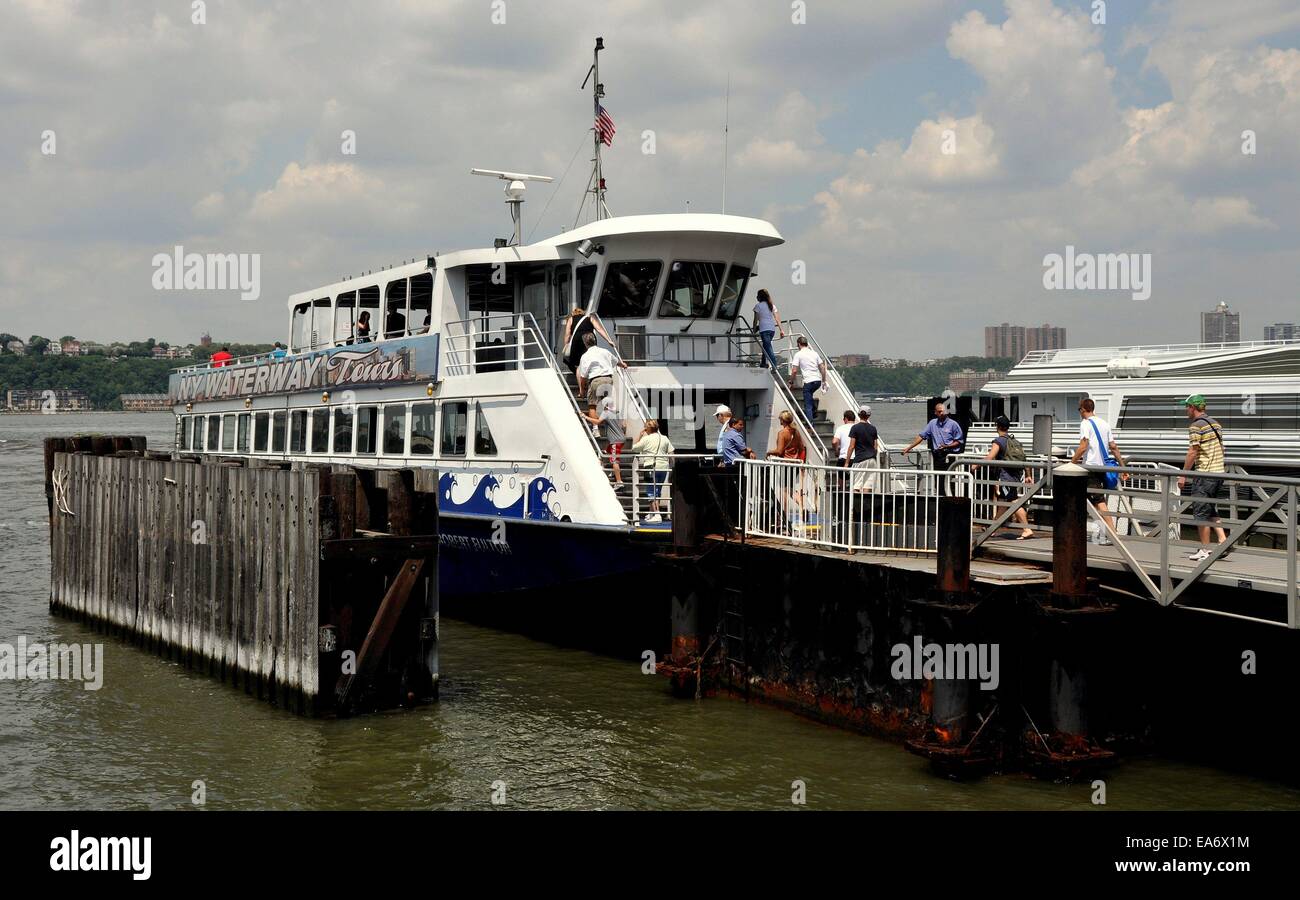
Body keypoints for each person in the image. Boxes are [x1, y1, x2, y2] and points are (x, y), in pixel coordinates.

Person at [1179, 394, 1229, 562]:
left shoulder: (1196, 426)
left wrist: (1183, 474)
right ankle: (1222, 540)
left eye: (1186, 407)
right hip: (1218, 472)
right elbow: (1222, 449)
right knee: (1211, 507)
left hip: (1204, 474)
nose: (1186, 410)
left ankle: (1205, 550)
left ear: (1192, 407)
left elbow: (1193, 451)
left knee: (1200, 512)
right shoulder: (1216, 423)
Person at [1070, 397, 1127, 542]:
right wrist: (1123, 467)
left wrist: (1071, 463)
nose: (1080, 412)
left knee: (1098, 501)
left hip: (1090, 467)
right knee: (1090, 500)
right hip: (1103, 467)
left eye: (1079, 410)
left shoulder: (1085, 423)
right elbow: (1113, 447)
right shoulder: (1104, 424)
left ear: (1083, 409)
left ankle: (1112, 534)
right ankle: (1099, 531)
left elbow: (1083, 446)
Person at [984, 415, 1033, 540]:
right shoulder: (1015, 441)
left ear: (998, 427)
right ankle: (992, 529)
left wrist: (974, 466)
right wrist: (1028, 475)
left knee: (1012, 501)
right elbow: (1024, 459)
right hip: (1016, 476)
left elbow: (990, 457)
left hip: (1006, 478)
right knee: (1002, 503)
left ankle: (1027, 529)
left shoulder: (999, 441)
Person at [902, 401, 964, 494]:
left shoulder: (953, 424)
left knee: (949, 480)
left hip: (950, 455)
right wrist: (909, 448)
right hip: (938, 456)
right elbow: (921, 436)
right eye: (939, 411)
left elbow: (959, 441)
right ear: (935, 412)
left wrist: (947, 446)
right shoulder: (932, 423)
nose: (942, 413)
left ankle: (950, 498)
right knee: (938, 480)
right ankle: (940, 498)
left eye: (943, 411)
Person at [631, 419, 675, 523]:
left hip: (651, 466)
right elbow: (672, 452)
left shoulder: (646, 439)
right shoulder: (664, 438)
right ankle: (652, 513)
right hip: (663, 467)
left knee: (651, 491)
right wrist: (672, 466)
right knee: (657, 490)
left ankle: (657, 514)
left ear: (648, 429)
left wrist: (640, 436)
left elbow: (634, 448)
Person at [576, 332, 627, 417]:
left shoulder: (585, 356)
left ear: (585, 343)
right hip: (608, 379)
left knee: (592, 405)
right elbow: (616, 361)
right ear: (595, 341)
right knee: (604, 397)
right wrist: (623, 365)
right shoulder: (605, 351)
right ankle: (609, 406)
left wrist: (582, 391)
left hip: (595, 380)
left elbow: (583, 377)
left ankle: (595, 428)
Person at [584, 391, 627, 492]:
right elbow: (624, 425)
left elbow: (598, 422)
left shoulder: (606, 412)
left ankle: (619, 481)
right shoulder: (617, 412)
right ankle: (612, 470)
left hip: (615, 440)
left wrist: (585, 417)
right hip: (620, 438)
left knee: (614, 461)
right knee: (606, 452)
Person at [788, 336, 827, 424]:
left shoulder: (798, 354)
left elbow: (794, 370)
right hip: (817, 381)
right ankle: (814, 410)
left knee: (807, 405)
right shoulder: (814, 353)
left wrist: (791, 381)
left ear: (799, 344)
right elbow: (822, 368)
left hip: (808, 381)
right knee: (809, 396)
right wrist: (824, 380)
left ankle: (810, 425)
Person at [562, 307, 613, 372]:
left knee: (576, 364)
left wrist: (566, 345)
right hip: (589, 339)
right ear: (583, 313)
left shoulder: (571, 319)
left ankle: (581, 379)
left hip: (577, 340)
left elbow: (567, 334)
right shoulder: (590, 317)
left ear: (573, 314)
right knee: (591, 359)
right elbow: (599, 329)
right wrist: (609, 340)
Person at [846, 407, 881, 493]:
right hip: (872, 460)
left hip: (860, 459)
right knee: (867, 486)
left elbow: (851, 446)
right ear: (869, 415)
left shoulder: (855, 428)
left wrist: (847, 462)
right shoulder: (873, 428)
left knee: (856, 486)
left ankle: (855, 505)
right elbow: (875, 446)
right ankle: (865, 506)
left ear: (858, 414)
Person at [752, 288, 784, 369]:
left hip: (764, 330)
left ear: (760, 297)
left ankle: (774, 365)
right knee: (766, 346)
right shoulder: (772, 305)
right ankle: (763, 363)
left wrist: (753, 330)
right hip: (772, 329)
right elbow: (777, 319)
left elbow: (755, 320)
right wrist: (781, 330)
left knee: (768, 347)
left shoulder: (758, 306)